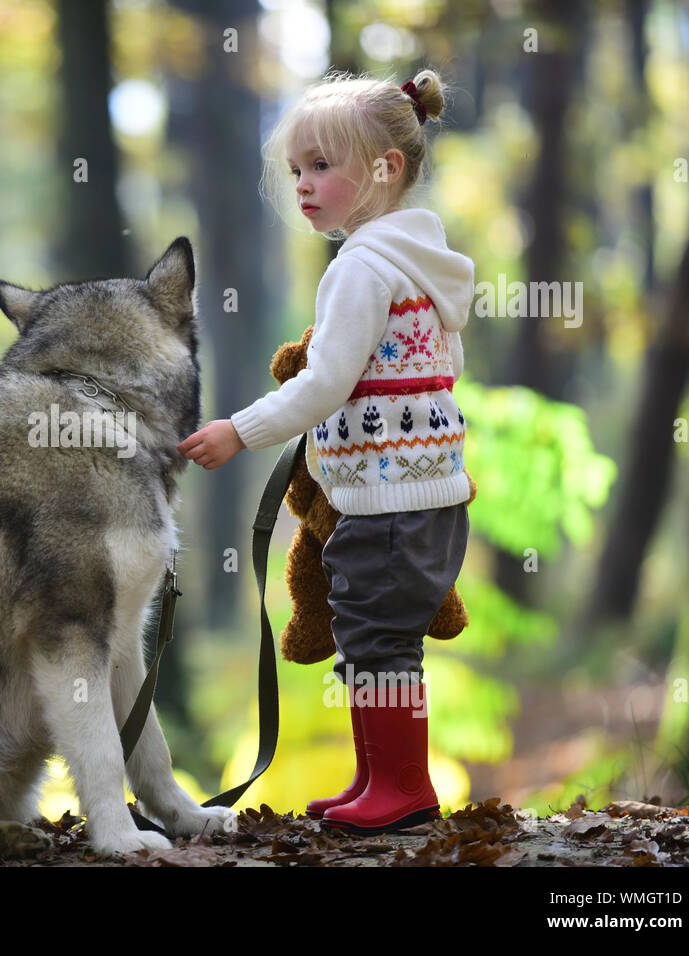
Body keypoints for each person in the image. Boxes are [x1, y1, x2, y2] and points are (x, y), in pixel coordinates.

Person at [176, 69, 475, 835]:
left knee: (377, 644)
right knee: (374, 639)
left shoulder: (362, 268)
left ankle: (403, 787)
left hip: (386, 504)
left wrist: (237, 430)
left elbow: (325, 385)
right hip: (425, 494)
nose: (304, 186)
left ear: (386, 168)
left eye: (322, 167)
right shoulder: (421, 263)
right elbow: (437, 372)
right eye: (296, 170)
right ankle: (379, 777)